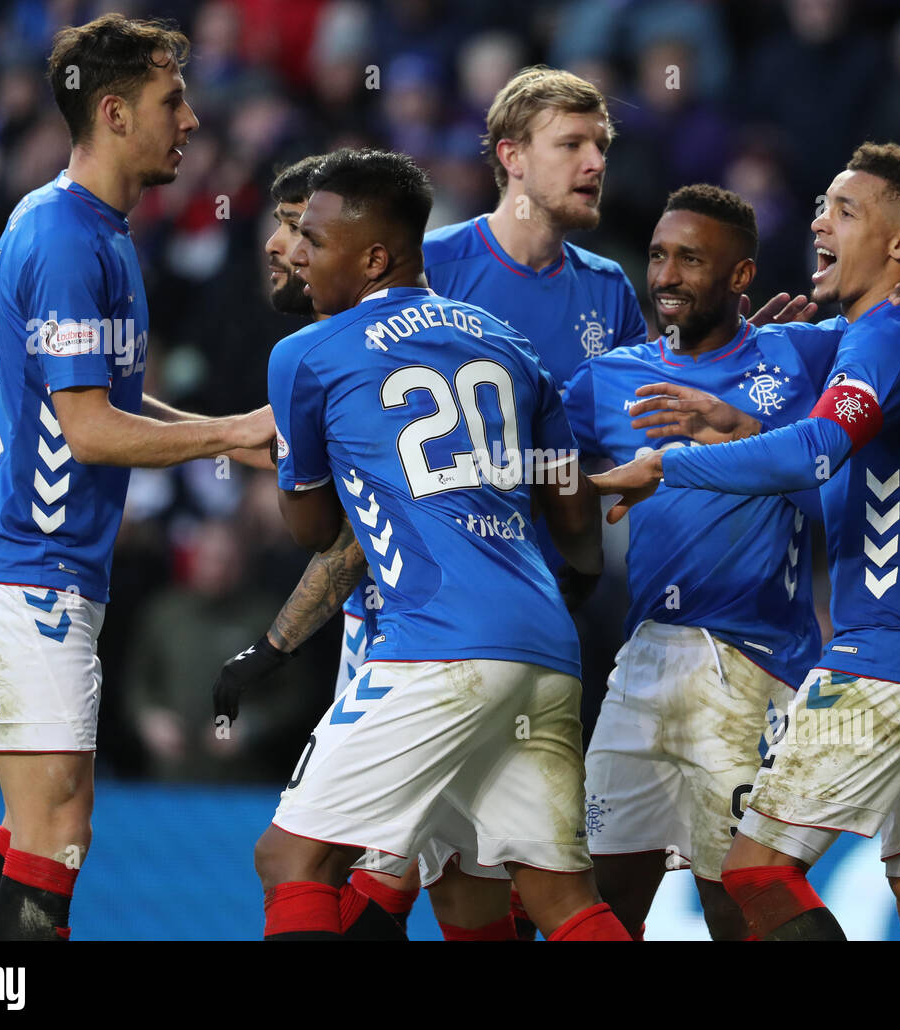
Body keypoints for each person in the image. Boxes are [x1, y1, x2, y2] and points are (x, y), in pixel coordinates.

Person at [215, 66, 647, 937]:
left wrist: (273, 637)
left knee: (301, 860)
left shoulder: (316, 345)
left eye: (312, 241)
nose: (300, 256)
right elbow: (566, 492)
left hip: (421, 637)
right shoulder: (494, 321)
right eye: (575, 141)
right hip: (539, 631)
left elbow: (319, 531)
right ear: (510, 158)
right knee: (520, 891)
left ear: (374, 256)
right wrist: (574, 579)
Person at [0, 14, 273, 942]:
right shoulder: (69, 240)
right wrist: (230, 428)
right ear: (113, 112)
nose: (190, 119)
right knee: (59, 832)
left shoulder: (88, 230)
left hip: (43, 565)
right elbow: (90, 431)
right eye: (170, 100)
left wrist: (225, 437)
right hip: (24, 565)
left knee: (38, 826)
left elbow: (115, 400)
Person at [591, 142, 900, 941]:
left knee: (755, 870)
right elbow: (848, 480)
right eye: (822, 204)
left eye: (845, 211)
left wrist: (670, 467)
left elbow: (819, 449)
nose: (820, 220)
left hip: (894, 647)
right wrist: (746, 425)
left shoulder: (886, 336)